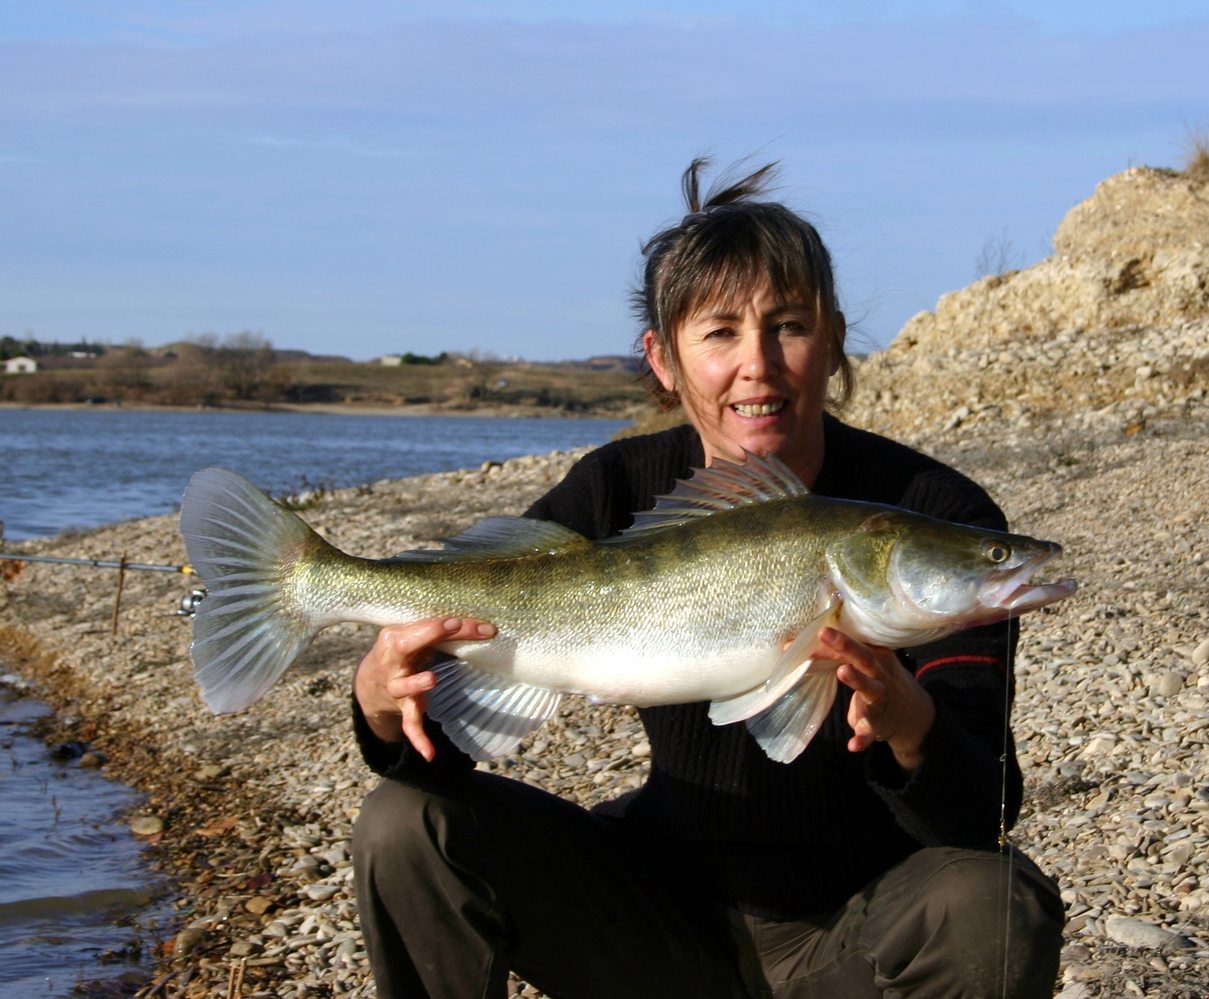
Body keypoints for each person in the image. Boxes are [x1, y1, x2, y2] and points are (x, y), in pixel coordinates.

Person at [349, 159, 1065, 998]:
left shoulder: (935, 511)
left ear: (833, 340)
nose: (756, 364)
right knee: (405, 826)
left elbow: (982, 816)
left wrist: (913, 727)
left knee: (997, 903)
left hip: (856, 933)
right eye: (720, 332)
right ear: (663, 358)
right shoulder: (617, 489)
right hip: (654, 918)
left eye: (788, 326)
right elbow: (432, 764)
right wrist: (377, 695)